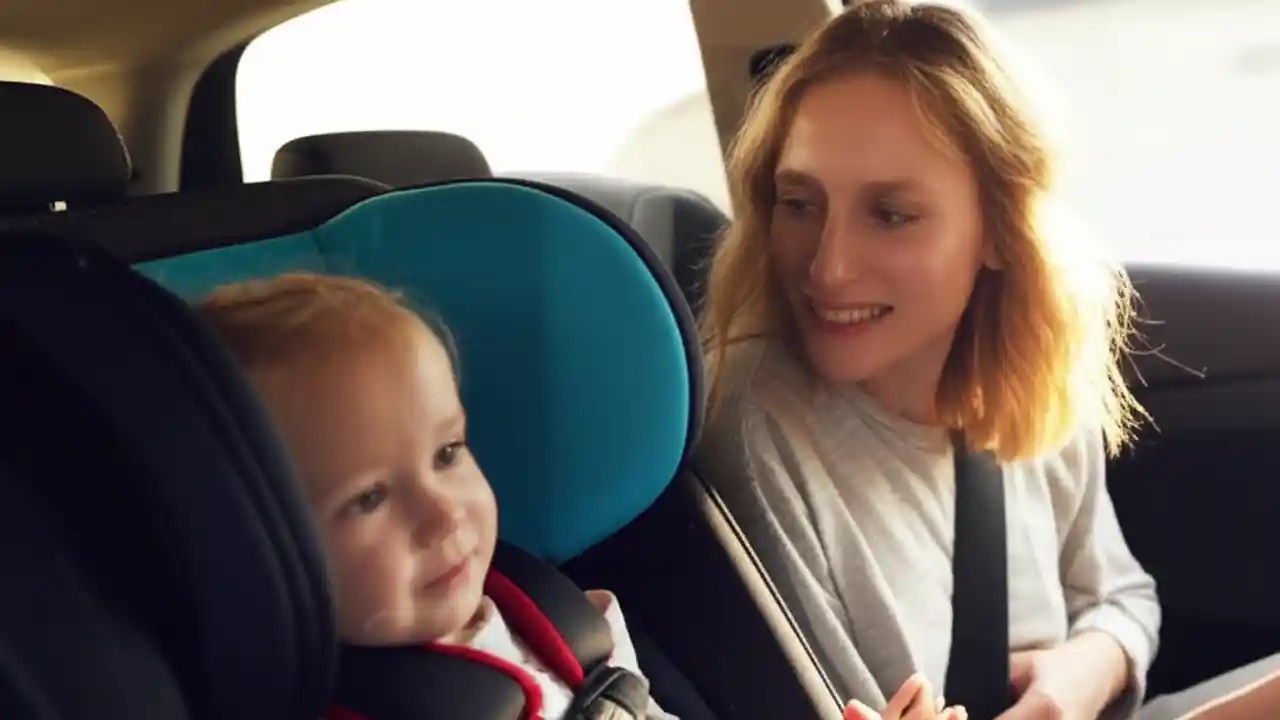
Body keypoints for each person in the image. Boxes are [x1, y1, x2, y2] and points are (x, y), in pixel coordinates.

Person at [694, 1, 1276, 718]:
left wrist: (1083, 672)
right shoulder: (752, 424)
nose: (828, 267)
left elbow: (1120, 595)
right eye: (799, 202)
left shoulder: (1026, 370)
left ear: (1000, 231)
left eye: (891, 214)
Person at [196, 272, 673, 720]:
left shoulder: (557, 617)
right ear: (256, 560)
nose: (444, 515)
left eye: (447, 453)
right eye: (368, 498)